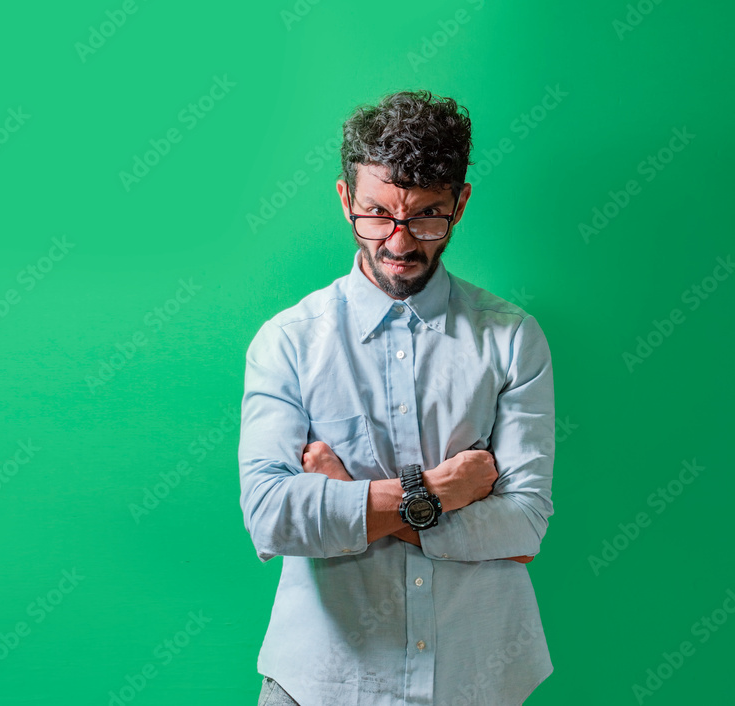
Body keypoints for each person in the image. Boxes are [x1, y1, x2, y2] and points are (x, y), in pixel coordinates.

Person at [238, 90, 555, 705]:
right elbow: (272, 516)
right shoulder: (288, 343)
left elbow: (523, 527)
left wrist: (348, 500)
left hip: (476, 681)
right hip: (320, 685)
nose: (401, 243)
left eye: (428, 215)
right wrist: (437, 493)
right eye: (378, 213)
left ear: (461, 203)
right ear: (345, 199)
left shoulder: (513, 338)